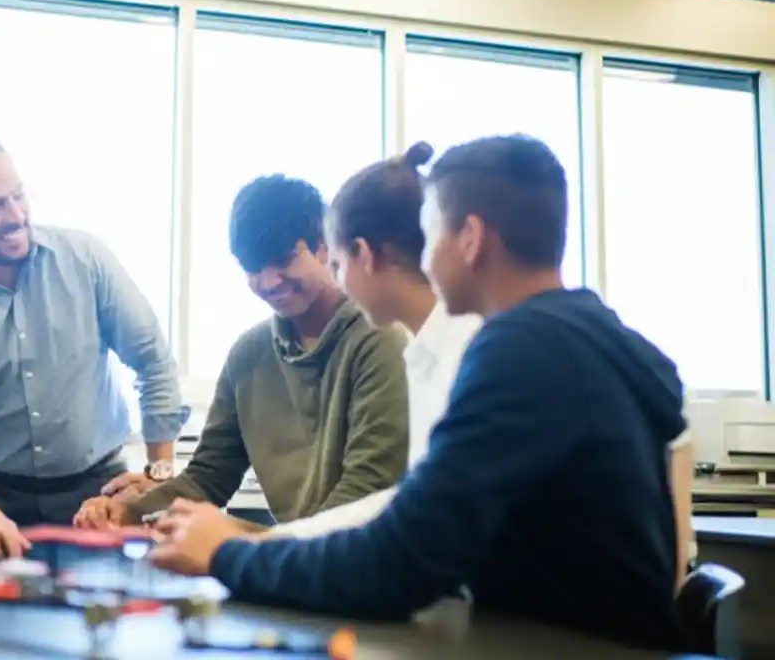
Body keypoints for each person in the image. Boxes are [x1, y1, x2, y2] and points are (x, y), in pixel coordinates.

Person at [150, 135, 690, 650]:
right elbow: (410, 513)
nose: (421, 262)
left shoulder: (521, 351)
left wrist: (228, 555)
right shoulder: (589, 335)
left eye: (428, 238)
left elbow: (402, 565)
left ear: (471, 240)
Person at [0, 134, 185, 559]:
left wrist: (160, 478)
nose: (16, 216)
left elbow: (153, 361)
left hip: (100, 492)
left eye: (18, 196)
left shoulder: (86, 259)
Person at [73, 174, 409, 530]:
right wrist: (127, 512)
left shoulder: (381, 340)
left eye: (283, 260)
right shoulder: (250, 355)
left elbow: (364, 497)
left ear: (325, 245)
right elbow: (208, 478)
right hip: (298, 562)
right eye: (252, 268)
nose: (268, 282)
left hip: (366, 565)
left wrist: (233, 540)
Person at [266, 142, 482, 539]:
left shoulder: (470, 354)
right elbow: (406, 501)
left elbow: (428, 516)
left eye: (336, 265)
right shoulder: (426, 350)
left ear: (362, 254)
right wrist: (266, 543)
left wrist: (259, 546)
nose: (337, 281)